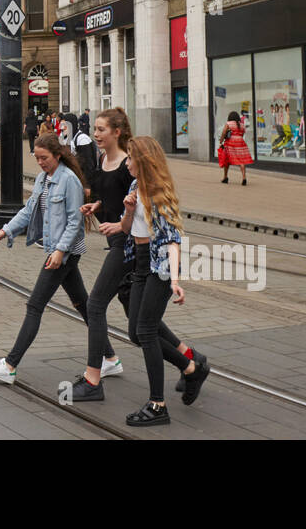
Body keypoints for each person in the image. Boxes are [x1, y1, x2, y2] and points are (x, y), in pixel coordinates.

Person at [69, 111, 197, 401]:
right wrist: (99, 207)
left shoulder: (139, 174)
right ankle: (191, 361)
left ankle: (95, 379)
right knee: (141, 327)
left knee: (99, 305)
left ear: (117, 132)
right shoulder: (108, 165)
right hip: (126, 247)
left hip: (134, 251)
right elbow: (117, 203)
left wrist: (174, 278)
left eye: (101, 129)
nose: (96, 134)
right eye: (95, 129)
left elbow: (164, 232)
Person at [0, 132, 115, 385]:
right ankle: (110, 358)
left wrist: (60, 251)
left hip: (64, 253)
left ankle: (9, 365)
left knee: (34, 305)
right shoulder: (43, 179)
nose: (40, 163)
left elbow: (75, 222)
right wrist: (5, 230)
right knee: (83, 305)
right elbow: (28, 212)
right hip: (57, 251)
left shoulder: (69, 180)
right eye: (37, 158)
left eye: (44, 158)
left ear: (57, 155)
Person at [123, 136, 208, 426]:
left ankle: (158, 405)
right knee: (136, 332)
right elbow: (127, 229)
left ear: (143, 162)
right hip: (139, 263)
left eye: (131, 158)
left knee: (146, 331)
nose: (127, 162)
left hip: (159, 268)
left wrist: (174, 279)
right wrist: (127, 209)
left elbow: (173, 240)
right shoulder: (134, 187)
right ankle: (190, 367)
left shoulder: (159, 194)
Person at [219, 110, 253, 185]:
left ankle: (225, 177)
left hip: (230, 143)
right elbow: (243, 132)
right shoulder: (242, 125)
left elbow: (224, 132)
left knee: (227, 160)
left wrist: (221, 140)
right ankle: (244, 177)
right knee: (241, 161)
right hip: (241, 142)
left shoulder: (228, 124)